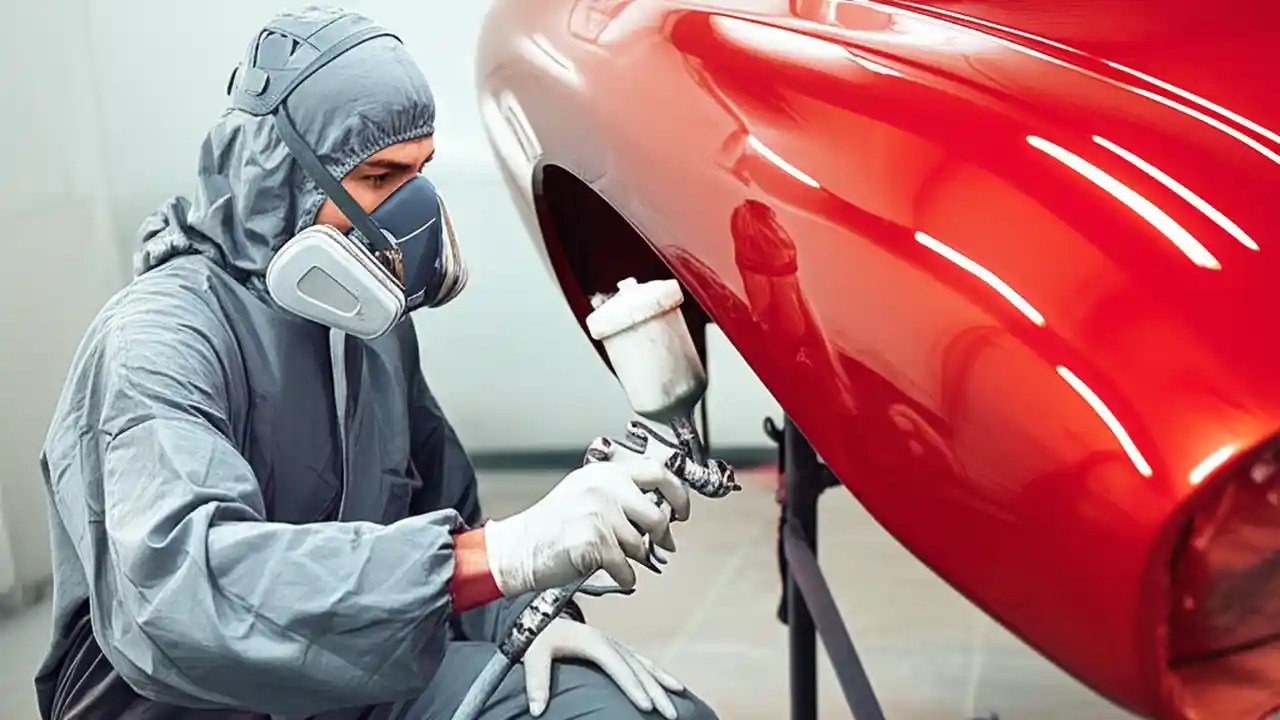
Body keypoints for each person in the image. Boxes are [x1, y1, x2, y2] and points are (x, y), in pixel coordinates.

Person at [33, 6, 718, 720]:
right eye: (381, 176)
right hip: (187, 702)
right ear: (282, 179)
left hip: (356, 673)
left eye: (420, 172)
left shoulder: (367, 330)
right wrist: (506, 554)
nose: (411, 212)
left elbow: (443, 511)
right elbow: (184, 592)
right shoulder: (157, 340)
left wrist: (528, 613)